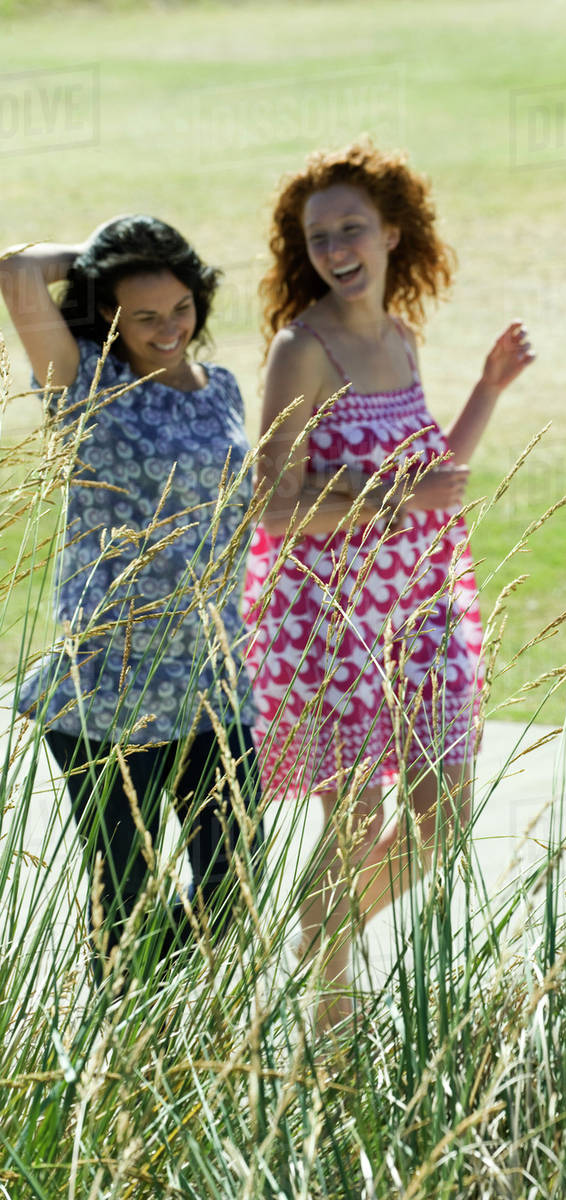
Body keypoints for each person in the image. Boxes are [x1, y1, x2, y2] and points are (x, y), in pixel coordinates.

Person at [242, 141, 534, 1021]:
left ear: (393, 232)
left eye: (351, 229)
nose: (335, 249)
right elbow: (272, 504)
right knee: (356, 822)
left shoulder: (402, 338)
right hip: (335, 616)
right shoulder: (303, 348)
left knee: (439, 819)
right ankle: (332, 1021)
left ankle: (319, 925)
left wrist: (485, 390)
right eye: (318, 235)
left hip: (422, 605)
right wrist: (400, 493)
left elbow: (434, 477)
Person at [0, 216, 261, 981]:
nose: (168, 328)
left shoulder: (226, 391)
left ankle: (161, 1012)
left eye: (180, 307)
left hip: (215, 682)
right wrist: (107, 254)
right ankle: (125, 1048)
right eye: (143, 315)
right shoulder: (82, 382)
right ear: (107, 315)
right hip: (111, 689)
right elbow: (15, 273)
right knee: (126, 897)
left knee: (231, 883)